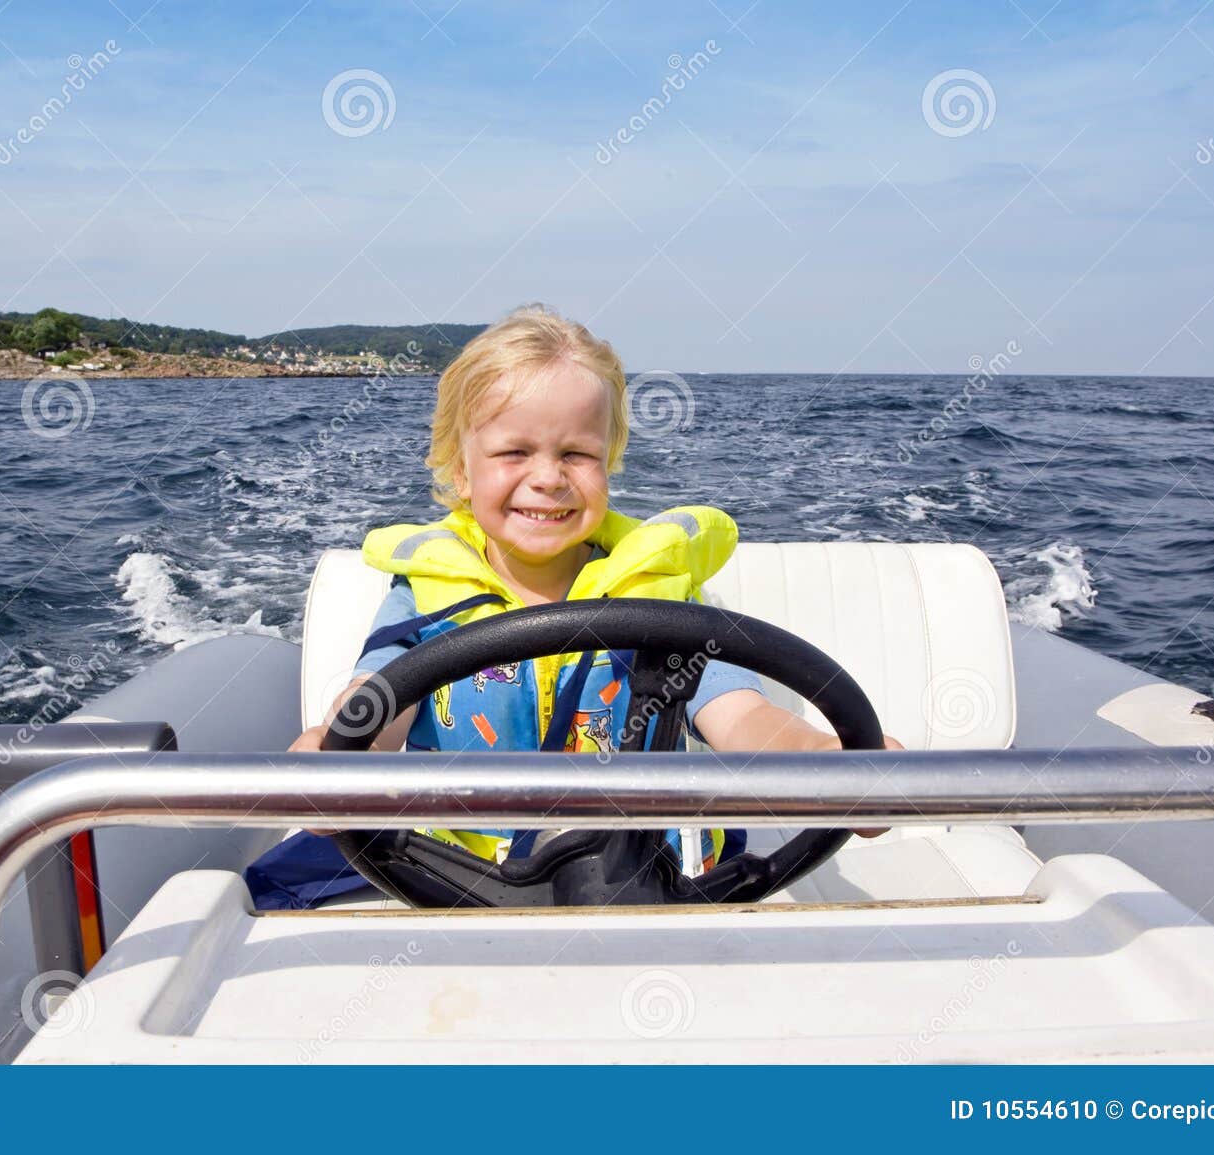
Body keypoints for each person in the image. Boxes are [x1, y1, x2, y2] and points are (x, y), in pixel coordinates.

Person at [265, 305, 899, 906]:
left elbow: (744, 720)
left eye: (577, 454)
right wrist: (336, 753)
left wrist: (825, 761)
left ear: (608, 463)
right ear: (461, 471)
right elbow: (376, 708)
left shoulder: (658, 592)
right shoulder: (422, 597)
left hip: (646, 876)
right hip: (454, 878)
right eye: (514, 452)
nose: (548, 477)